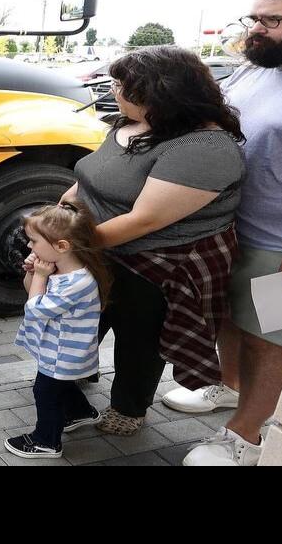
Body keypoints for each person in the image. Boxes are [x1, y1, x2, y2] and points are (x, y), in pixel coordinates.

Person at [171, 0, 282, 467]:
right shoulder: (262, 66)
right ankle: (228, 386)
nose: (258, 28)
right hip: (227, 225)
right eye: (255, 17)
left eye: (273, 19)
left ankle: (246, 435)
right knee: (228, 316)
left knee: (272, 339)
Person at [62, 46, 246, 437]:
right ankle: (71, 376)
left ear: (158, 92)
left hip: (154, 263)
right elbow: (93, 175)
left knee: (139, 337)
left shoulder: (201, 148)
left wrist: (64, 245)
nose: (113, 91)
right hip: (100, 249)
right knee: (83, 318)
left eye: (121, 85)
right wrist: (66, 205)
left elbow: (144, 219)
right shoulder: (128, 125)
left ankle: (129, 409)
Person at [4, 203, 109, 460]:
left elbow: (35, 309)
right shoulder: (62, 270)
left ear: (61, 246)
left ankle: (46, 441)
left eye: (34, 241)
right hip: (60, 349)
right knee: (60, 384)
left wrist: (40, 277)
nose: (29, 246)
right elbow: (31, 290)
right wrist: (33, 273)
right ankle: (81, 413)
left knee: (45, 391)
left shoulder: (76, 283)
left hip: (64, 352)